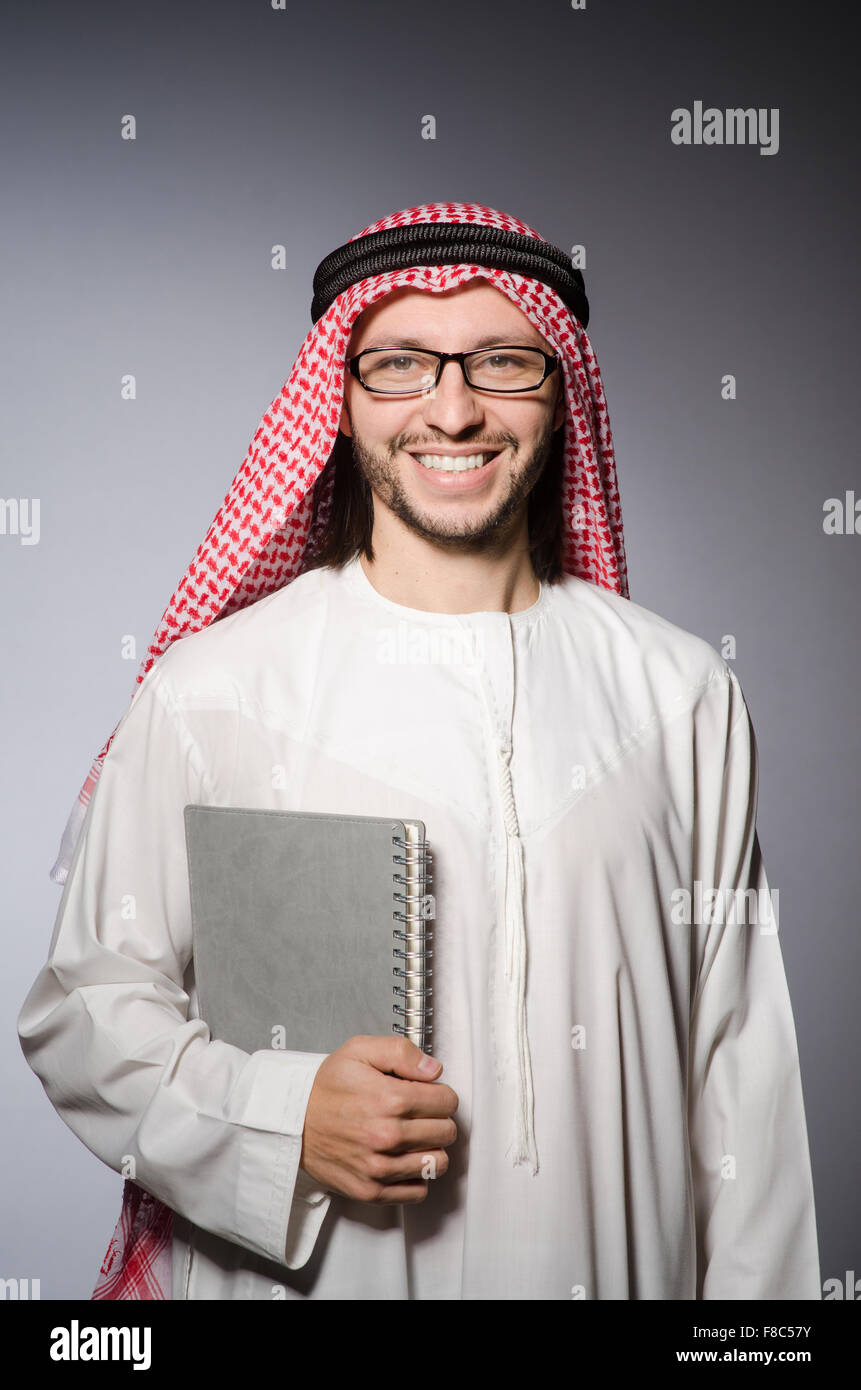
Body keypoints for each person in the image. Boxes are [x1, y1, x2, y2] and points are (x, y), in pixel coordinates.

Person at [17, 201, 821, 1300]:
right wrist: (283, 1118)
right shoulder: (216, 689)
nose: (452, 409)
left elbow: (745, 1086)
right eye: (399, 365)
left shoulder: (681, 697)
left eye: (502, 361)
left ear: (563, 391)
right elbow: (83, 1008)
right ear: (339, 403)